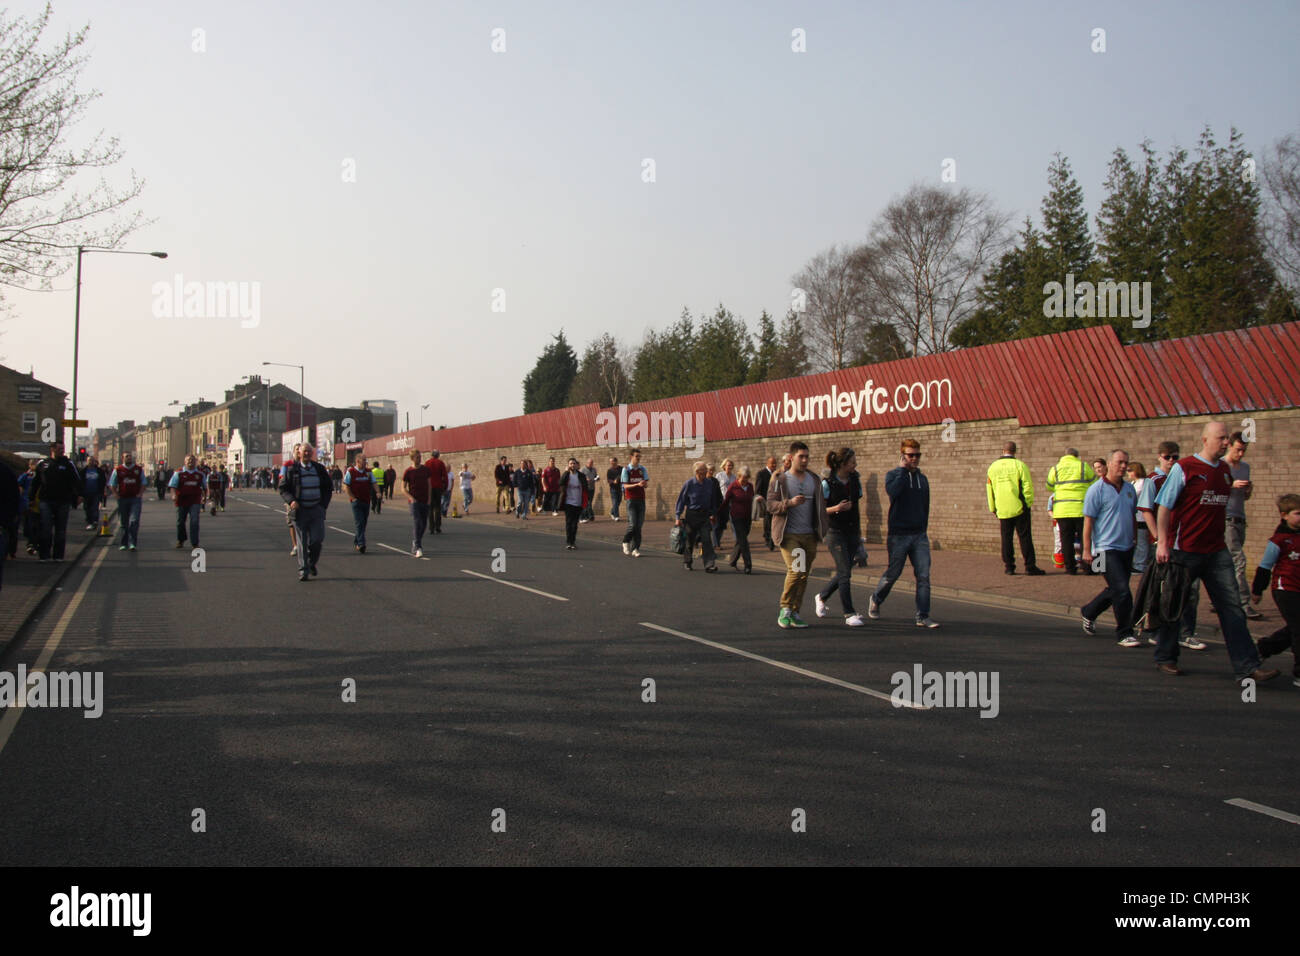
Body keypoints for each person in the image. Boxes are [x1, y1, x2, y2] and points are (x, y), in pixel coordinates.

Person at [1152, 421, 1276, 683]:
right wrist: (1162, 543)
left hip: (1216, 551)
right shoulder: (1185, 468)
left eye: (1226, 440)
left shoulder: (1224, 470)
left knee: (1232, 608)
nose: (1225, 443)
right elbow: (1164, 506)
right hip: (1184, 550)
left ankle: (1247, 666)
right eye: (1221, 438)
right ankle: (1166, 656)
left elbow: (1222, 498)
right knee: (1176, 606)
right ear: (1205, 439)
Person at [1137, 441, 1205, 651]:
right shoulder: (1153, 480)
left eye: (1175, 457)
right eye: (1167, 457)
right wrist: (1158, 538)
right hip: (1163, 544)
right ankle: (1158, 631)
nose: (1172, 461)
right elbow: (1147, 510)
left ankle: (1186, 632)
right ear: (1159, 457)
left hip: (1183, 543)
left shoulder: (1181, 477)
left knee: (1189, 590)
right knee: (1163, 590)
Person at [869, 438, 938, 628]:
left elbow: (926, 505)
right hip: (898, 534)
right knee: (893, 573)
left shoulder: (922, 479)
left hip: (919, 535)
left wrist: (923, 527)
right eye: (910, 455)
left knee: (923, 575)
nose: (914, 459)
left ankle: (923, 615)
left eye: (917, 455)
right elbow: (893, 491)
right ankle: (876, 598)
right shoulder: (893, 475)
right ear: (903, 456)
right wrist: (901, 470)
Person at [1081, 449, 1141, 647]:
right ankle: (1125, 633)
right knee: (1122, 590)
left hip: (1126, 547)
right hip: (1103, 549)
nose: (1123, 466)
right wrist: (1086, 550)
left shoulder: (1130, 490)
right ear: (1108, 464)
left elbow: (1131, 516)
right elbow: (1088, 522)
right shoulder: (1096, 490)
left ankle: (1089, 611)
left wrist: (1134, 539)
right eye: (1119, 462)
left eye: (1126, 463)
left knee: (1116, 588)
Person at [767, 442, 826, 626]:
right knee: (796, 571)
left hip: (809, 535)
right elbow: (770, 505)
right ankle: (785, 608)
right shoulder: (780, 479)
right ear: (792, 457)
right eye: (801, 456)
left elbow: (821, 506)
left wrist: (823, 529)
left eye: (807, 456)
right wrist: (789, 503)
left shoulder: (814, 480)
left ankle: (795, 611)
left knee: (803, 574)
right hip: (790, 534)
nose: (805, 460)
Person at [1250, 493, 1300, 687]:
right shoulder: (1278, 540)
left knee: (1295, 628)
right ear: (1284, 515)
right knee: (1298, 629)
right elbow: (1264, 567)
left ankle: (1263, 649)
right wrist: (1257, 590)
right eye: (1297, 513)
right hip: (1285, 589)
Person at [815, 448, 866, 625]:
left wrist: (859, 534)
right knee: (844, 571)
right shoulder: (827, 484)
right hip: (834, 532)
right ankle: (849, 613)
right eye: (852, 462)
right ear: (843, 464)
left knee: (845, 570)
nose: (855, 464)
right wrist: (836, 508)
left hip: (852, 530)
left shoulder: (854, 480)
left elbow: (857, 505)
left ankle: (821, 596)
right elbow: (818, 510)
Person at [986, 441, 1046, 576]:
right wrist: (1027, 503)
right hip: (1019, 507)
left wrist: (993, 507)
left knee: (1006, 538)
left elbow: (989, 489)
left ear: (1003, 450)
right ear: (1015, 451)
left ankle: (1009, 566)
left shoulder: (993, 467)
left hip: (1002, 508)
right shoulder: (1020, 465)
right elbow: (1027, 486)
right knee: (1025, 537)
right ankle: (1030, 566)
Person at [281, 443, 332, 581]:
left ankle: (311, 563)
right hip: (300, 510)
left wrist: (323, 506)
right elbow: (283, 489)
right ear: (299, 453)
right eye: (304, 451)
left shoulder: (319, 469)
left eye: (310, 451)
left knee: (317, 540)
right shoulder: (292, 470)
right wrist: (291, 500)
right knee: (302, 541)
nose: (307, 454)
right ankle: (303, 570)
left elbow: (328, 487)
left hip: (316, 510)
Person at [1223, 432, 1261, 619]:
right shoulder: (1222, 465)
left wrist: (1247, 490)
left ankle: (1223, 599)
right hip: (1225, 519)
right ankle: (1244, 604)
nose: (1241, 454)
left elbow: (1244, 496)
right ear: (1229, 446)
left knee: (1227, 562)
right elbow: (1214, 489)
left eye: (1244, 451)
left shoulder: (1245, 467)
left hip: (1240, 518)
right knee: (1239, 560)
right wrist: (1231, 485)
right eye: (1238, 450)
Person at [32, 443, 84, 562]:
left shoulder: (68, 464)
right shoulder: (42, 464)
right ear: (52, 449)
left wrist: (80, 495)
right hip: (45, 501)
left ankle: (58, 556)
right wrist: (31, 499)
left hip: (63, 501)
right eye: (59, 449)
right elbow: (36, 483)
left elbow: (76, 480)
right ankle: (44, 555)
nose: (62, 451)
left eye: (63, 449)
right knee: (46, 528)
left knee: (60, 530)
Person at [1047, 447, 1095, 575]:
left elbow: (1049, 485)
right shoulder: (1084, 467)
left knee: (1066, 540)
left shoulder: (1056, 468)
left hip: (1062, 510)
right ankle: (1087, 567)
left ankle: (1070, 567)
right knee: (1085, 538)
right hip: (1080, 508)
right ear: (1077, 456)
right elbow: (1093, 482)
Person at [677, 460, 722, 572]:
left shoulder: (709, 483)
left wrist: (713, 513)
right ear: (697, 472)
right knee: (690, 540)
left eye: (706, 470)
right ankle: (687, 561)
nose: (707, 472)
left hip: (705, 515)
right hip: (692, 515)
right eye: (704, 470)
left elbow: (713, 500)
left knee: (707, 539)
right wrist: (677, 517)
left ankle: (709, 564)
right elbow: (681, 500)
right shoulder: (689, 484)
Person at [168, 454, 206, 550]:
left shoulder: (200, 474)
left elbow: (205, 487)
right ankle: (181, 540)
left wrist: (205, 497)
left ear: (195, 462)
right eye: (188, 460)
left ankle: (195, 543)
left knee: (194, 521)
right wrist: (173, 494)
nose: (190, 462)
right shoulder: (178, 473)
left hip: (195, 500)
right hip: (181, 501)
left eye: (192, 460)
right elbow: (173, 486)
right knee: (180, 522)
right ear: (184, 462)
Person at [723, 465, 756, 573]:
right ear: (739, 476)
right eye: (743, 478)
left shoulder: (750, 486)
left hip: (747, 516)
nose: (744, 480)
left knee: (741, 540)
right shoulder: (733, 486)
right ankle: (748, 565)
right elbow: (726, 501)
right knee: (744, 541)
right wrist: (717, 514)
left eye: (746, 478)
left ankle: (732, 560)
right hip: (736, 516)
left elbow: (753, 497)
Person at [110, 451, 145, 551]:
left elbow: (143, 482)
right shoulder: (118, 470)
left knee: (134, 521)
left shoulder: (138, 469)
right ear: (123, 458)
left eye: (130, 456)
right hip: (123, 499)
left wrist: (140, 493)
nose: (128, 458)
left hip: (135, 499)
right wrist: (116, 495)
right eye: (126, 457)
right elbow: (112, 484)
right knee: (123, 523)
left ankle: (132, 543)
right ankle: (123, 543)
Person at [403, 450, 432, 557]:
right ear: (412, 458)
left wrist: (429, 499)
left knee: (424, 524)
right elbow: (403, 488)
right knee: (417, 522)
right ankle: (418, 547)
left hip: (425, 500)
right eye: (417, 457)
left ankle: (415, 541)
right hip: (414, 501)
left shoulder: (426, 470)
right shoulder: (408, 471)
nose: (419, 459)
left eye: (420, 457)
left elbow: (429, 485)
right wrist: (411, 498)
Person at [621, 449, 648, 557]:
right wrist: (637, 484)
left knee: (639, 526)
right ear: (631, 457)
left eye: (639, 456)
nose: (638, 458)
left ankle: (635, 548)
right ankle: (625, 541)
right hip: (631, 499)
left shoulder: (642, 469)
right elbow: (625, 486)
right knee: (633, 524)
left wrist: (644, 484)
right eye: (636, 456)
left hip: (641, 499)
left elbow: (646, 484)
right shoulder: (626, 470)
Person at [559, 457, 590, 550]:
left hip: (578, 503)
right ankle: (569, 542)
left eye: (574, 463)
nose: (572, 465)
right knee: (569, 523)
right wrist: (565, 472)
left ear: (577, 465)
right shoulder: (567, 475)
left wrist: (586, 500)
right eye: (570, 464)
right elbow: (560, 483)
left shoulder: (581, 475)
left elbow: (585, 488)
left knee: (574, 524)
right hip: (568, 502)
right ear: (568, 465)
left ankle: (573, 541)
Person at [344, 454, 373, 553]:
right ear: (358, 461)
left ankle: (357, 541)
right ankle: (361, 544)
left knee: (363, 522)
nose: (365, 463)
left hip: (366, 501)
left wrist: (378, 492)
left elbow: (374, 482)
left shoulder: (368, 472)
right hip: (356, 502)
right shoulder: (351, 472)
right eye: (364, 461)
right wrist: (353, 498)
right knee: (359, 522)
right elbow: (346, 486)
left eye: (366, 461)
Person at [1128, 461, 1149, 572]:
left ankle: (1140, 565)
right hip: (1134, 517)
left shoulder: (1143, 483)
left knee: (1142, 542)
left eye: (1130, 470)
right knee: (1137, 541)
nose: (1128, 473)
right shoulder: (1132, 483)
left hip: (1141, 517)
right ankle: (1137, 562)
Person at [755, 455, 778, 550]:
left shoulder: (777, 474)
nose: (774, 465)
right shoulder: (761, 473)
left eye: (775, 463)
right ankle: (769, 540)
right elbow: (758, 488)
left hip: (775, 501)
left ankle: (770, 538)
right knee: (768, 521)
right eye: (772, 463)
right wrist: (759, 496)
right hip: (766, 501)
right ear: (767, 463)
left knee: (774, 521)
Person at [713, 459, 736, 549]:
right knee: (719, 522)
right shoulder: (719, 475)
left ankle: (737, 540)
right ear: (724, 466)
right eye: (728, 465)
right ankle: (716, 542)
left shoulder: (734, 477)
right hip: (721, 501)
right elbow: (715, 488)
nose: (729, 467)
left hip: (731, 501)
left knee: (731, 521)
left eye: (731, 465)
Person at [425, 450, 449, 534]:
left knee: (430, 508)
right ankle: (438, 526)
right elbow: (445, 476)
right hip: (438, 487)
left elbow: (425, 475)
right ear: (438, 455)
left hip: (429, 488)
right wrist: (445, 487)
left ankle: (431, 527)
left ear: (431, 455)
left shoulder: (427, 463)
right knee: (438, 507)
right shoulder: (440, 463)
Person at [81, 456, 104, 531]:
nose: (90, 462)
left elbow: (103, 481)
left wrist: (103, 491)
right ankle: (89, 521)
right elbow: (80, 482)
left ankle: (94, 521)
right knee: (87, 508)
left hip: (96, 493)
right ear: (87, 461)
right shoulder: (83, 471)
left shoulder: (99, 471)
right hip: (86, 493)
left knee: (95, 508)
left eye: (92, 460)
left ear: (94, 461)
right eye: (89, 460)